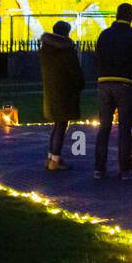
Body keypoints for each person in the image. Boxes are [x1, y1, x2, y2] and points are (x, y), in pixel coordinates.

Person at [93, 3, 132, 180]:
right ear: (131, 16)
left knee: (104, 127)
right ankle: (124, 169)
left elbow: (98, 57)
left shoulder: (104, 35)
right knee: (124, 128)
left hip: (104, 83)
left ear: (116, 15)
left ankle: (99, 169)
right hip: (125, 84)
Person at [39, 20, 84, 171]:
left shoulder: (46, 49)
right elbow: (74, 72)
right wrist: (80, 84)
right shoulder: (66, 50)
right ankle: (55, 160)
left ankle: (51, 157)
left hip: (52, 92)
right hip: (65, 92)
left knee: (57, 124)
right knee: (61, 125)